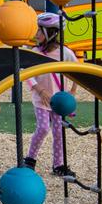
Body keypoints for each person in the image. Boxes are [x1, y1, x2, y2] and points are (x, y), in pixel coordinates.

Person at [21, 12, 80, 177]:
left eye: (39, 31)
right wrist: (40, 90)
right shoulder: (34, 52)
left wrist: (73, 92)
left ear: (50, 33)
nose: (36, 34)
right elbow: (27, 74)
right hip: (41, 100)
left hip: (60, 102)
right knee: (43, 128)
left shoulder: (65, 53)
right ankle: (30, 159)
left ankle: (58, 165)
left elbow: (78, 71)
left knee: (59, 132)